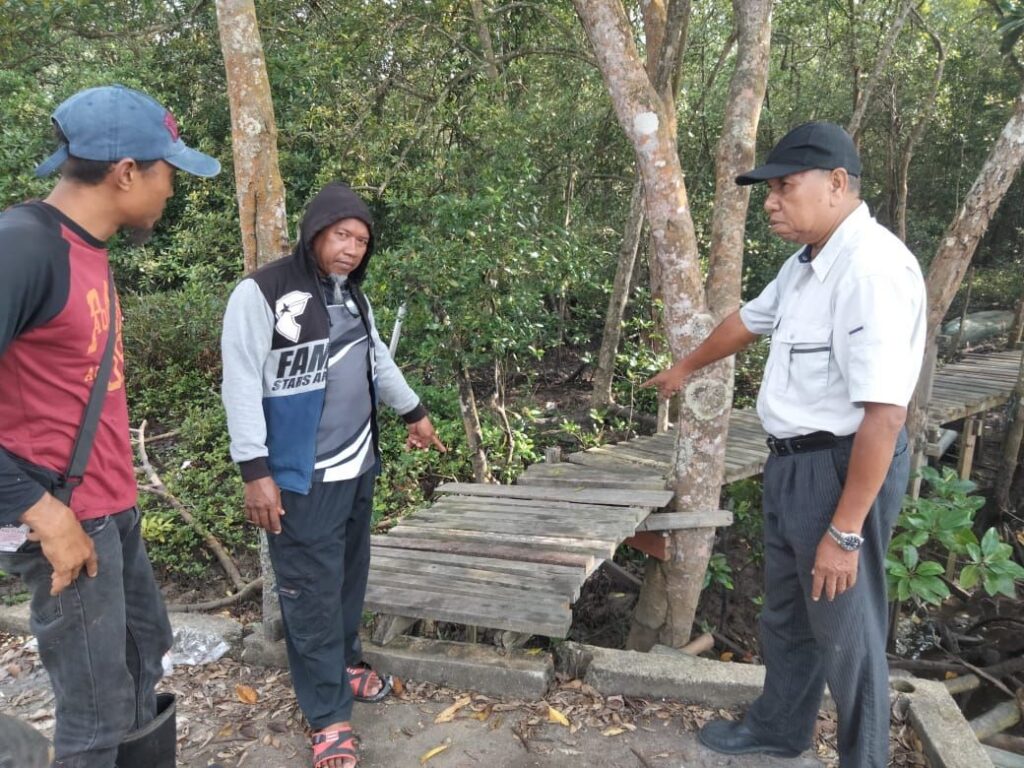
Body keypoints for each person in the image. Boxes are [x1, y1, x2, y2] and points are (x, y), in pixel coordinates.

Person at [645, 122, 925, 767]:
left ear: (836, 183)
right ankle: (779, 728)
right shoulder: (807, 264)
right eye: (768, 190)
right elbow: (748, 321)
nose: (771, 203)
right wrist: (686, 367)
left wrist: (846, 531)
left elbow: (884, 415)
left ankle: (866, 759)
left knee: (848, 631)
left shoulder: (872, 268)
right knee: (788, 617)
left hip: (842, 468)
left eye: (783, 187)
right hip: (792, 464)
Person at [0, 85, 220, 768]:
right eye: (169, 171)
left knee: (142, 659)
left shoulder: (86, 247)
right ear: (126, 171)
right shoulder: (22, 248)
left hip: (108, 507)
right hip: (63, 517)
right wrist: (44, 515)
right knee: (93, 718)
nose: (173, 190)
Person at [221, 181, 446, 768]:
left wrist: (414, 412)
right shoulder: (262, 292)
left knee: (347, 578)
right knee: (310, 595)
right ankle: (327, 717)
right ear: (315, 231)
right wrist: (255, 470)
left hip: (358, 465)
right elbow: (241, 380)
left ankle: (345, 666)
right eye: (342, 234)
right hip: (300, 477)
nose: (352, 248)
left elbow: (377, 359)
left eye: (362, 240)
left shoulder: (353, 298)